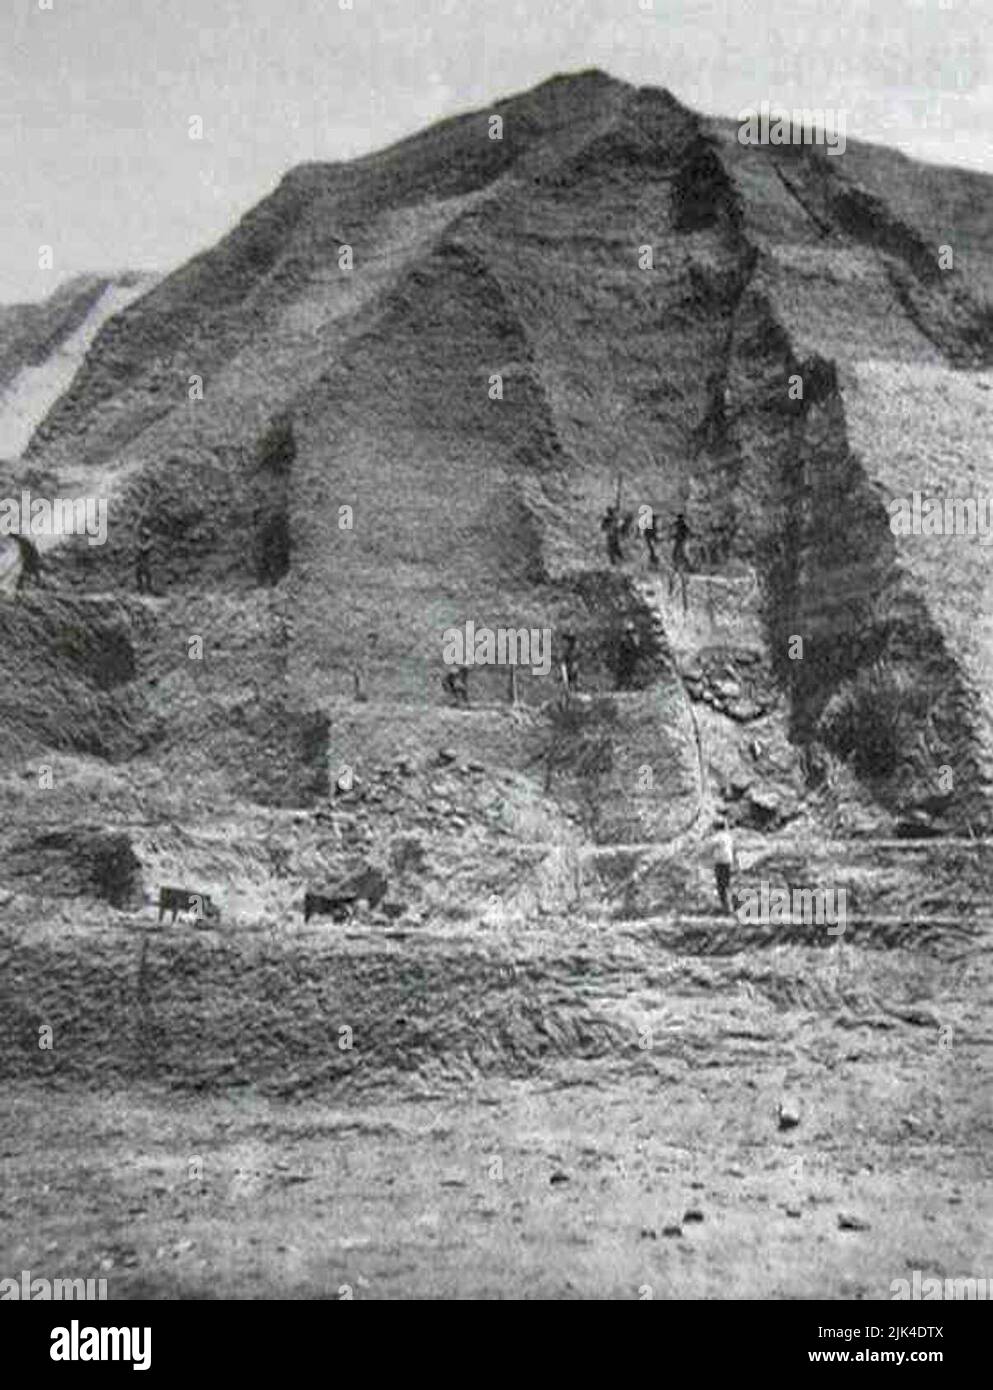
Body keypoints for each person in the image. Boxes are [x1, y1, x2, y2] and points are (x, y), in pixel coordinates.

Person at [712, 816, 735, 913]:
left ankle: (725, 907)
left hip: (720, 863)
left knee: (721, 885)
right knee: (727, 884)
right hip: (728, 862)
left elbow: (710, 845)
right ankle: (729, 906)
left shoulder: (718, 837)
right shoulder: (728, 836)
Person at [615, 619, 641, 690]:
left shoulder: (634, 635)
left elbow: (637, 645)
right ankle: (624, 685)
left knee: (630, 670)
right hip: (625, 656)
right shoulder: (624, 636)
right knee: (625, 670)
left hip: (630, 655)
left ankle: (630, 685)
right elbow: (621, 646)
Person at [135, 519, 153, 594]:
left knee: (147, 575)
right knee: (138, 574)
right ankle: (140, 589)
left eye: (144, 536)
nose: (143, 537)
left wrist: (138, 544)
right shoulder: (142, 541)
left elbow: (144, 549)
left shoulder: (150, 542)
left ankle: (148, 589)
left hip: (146, 561)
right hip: (140, 561)